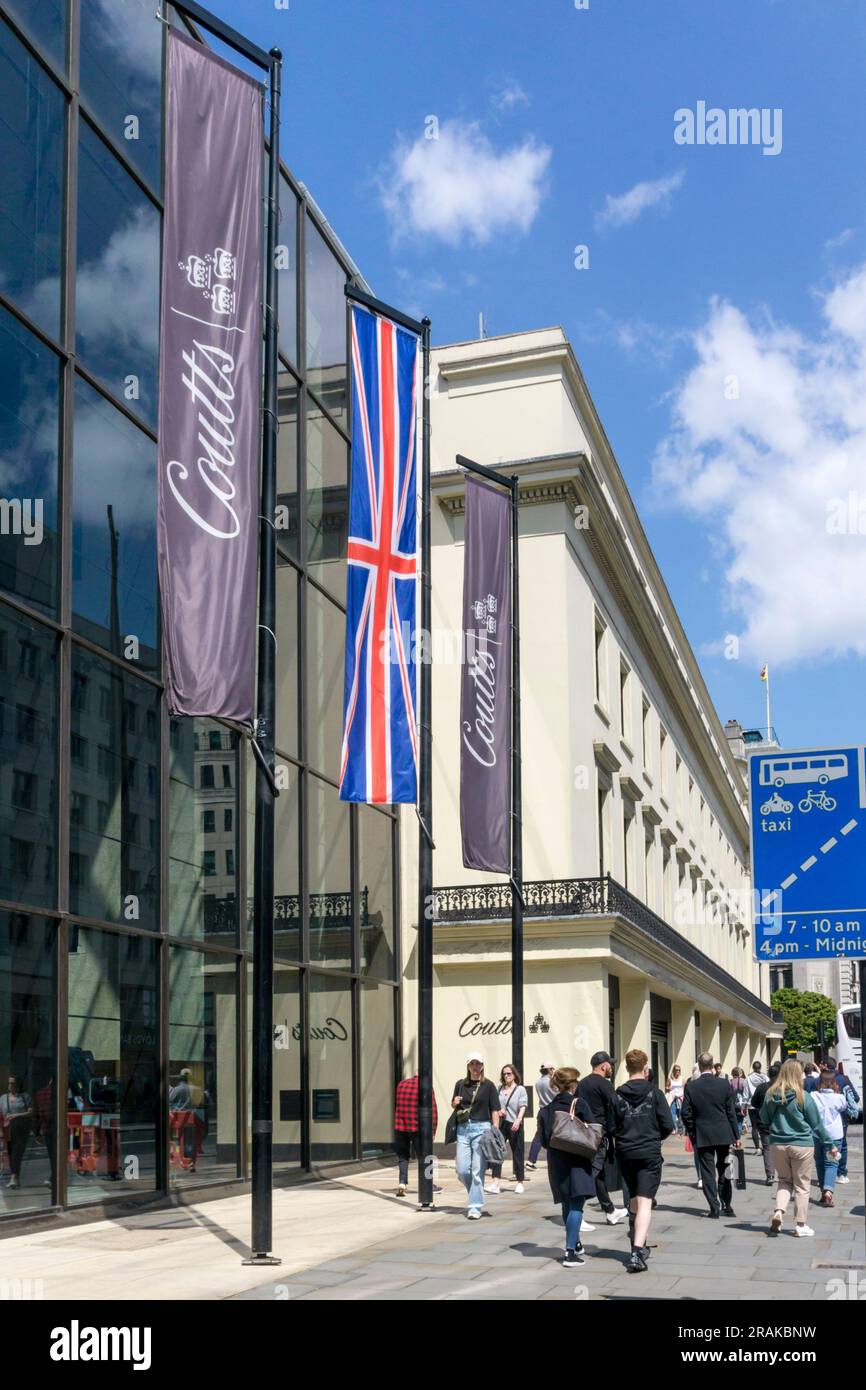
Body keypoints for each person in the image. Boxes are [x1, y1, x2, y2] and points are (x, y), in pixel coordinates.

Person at [761, 1058, 838, 1237]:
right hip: (802, 1144)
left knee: (784, 1181)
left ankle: (779, 1212)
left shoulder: (771, 1094)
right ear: (798, 1075)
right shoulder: (804, 1096)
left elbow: (764, 1118)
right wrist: (830, 1145)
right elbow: (816, 1125)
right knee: (802, 1186)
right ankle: (800, 1225)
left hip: (778, 1143)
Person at [615, 1049, 674, 1273]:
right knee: (645, 1201)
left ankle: (636, 1243)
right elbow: (667, 1124)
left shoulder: (617, 1094)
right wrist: (654, 1137)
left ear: (628, 1067)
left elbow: (612, 1125)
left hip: (626, 1152)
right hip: (648, 1152)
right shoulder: (654, 1093)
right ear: (645, 1067)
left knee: (633, 1201)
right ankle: (637, 1251)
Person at [537, 1066, 596, 1267]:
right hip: (578, 1159)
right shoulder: (579, 1105)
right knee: (577, 1205)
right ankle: (570, 1252)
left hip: (556, 1161)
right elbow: (593, 1131)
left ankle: (576, 1243)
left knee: (566, 1202)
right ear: (573, 1084)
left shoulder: (545, 1111)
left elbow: (544, 1141)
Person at [681, 1052, 741, 1218]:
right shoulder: (724, 1084)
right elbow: (731, 1112)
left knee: (707, 1171)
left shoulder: (692, 1086)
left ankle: (713, 1207)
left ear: (699, 1066)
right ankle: (726, 1204)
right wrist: (736, 1135)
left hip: (703, 1134)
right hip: (723, 1133)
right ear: (712, 1065)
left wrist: (693, 1132)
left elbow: (685, 1113)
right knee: (724, 1168)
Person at [578, 1052, 628, 1226]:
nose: (611, 1068)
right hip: (599, 1134)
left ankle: (610, 1211)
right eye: (610, 1064)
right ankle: (576, 1212)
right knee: (593, 1172)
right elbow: (616, 1108)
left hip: (584, 1133)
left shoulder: (582, 1084)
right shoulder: (605, 1085)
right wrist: (616, 1131)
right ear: (603, 1066)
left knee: (598, 1173)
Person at [451, 1053, 501, 1219]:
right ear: (468, 1066)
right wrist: (455, 1103)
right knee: (462, 1170)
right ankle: (475, 1194)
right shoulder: (460, 1084)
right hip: (463, 1129)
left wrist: (495, 1130)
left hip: (482, 1128)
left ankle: (474, 1207)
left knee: (477, 1170)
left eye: (478, 1063)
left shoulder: (489, 1085)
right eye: (472, 1063)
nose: (475, 1067)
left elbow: (495, 1109)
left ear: (482, 1065)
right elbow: (454, 1105)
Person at [393, 1074, 439, 1197]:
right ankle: (428, 1184)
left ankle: (402, 1182)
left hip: (400, 1126)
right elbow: (432, 1109)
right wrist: (433, 1130)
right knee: (425, 1156)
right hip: (417, 1127)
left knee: (403, 1157)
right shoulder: (426, 1086)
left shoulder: (401, 1084)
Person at [486, 1064, 528, 1194]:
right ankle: (496, 1183)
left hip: (514, 1124)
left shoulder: (520, 1089)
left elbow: (523, 1106)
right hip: (501, 1124)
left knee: (518, 1152)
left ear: (514, 1075)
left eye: (509, 1073)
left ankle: (520, 1181)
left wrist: (518, 1119)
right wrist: (499, 1111)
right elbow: (494, 1105)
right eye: (504, 1074)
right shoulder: (499, 1089)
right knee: (497, 1152)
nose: (506, 1076)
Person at [811, 1069, 847, 1208]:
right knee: (831, 1164)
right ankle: (828, 1192)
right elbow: (844, 1107)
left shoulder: (813, 1095)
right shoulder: (839, 1097)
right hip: (834, 1136)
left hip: (818, 1135)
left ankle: (823, 1192)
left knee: (820, 1163)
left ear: (819, 1082)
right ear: (834, 1083)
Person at [750, 1061, 781, 1184]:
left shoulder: (762, 1087)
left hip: (764, 1122)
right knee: (781, 1148)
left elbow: (754, 1103)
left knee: (767, 1148)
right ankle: (785, 1174)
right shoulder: (783, 1087)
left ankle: (770, 1175)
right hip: (780, 1123)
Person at [526, 1064, 557, 1170]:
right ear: (549, 1070)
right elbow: (556, 1094)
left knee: (538, 1136)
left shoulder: (538, 1082)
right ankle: (553, 1161)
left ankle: (531, 1160)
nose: (553, 1071)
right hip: (551, 1110)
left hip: (542, 1110)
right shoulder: (551, 1081)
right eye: (552, 1069)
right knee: (555, 1134)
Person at [833, 1062, 859, 1183]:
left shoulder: (820, 1079)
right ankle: (841, 1174)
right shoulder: (844, 1079)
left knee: (825, 1146)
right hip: (842, 1118)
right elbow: (855, 1097)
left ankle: (827, 1173)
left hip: (824, 1120)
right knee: (842, 1145)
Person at [745, 1059, 769, 1151]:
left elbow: (746, 1094)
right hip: (763, 1104)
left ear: (753, 1068)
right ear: (760, 1067)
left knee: (754, 1127)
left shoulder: (748, 1078)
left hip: (751, 1105)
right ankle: (765, 1146)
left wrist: (744, 1106)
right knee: (764, 1125)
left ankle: (757, 1148)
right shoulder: (765, 1077)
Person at [665, 1064, 686, 1136]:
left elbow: (685, 1088)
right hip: (672, 1098)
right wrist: (669, 1088)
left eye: (679, 1070)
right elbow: (666, 1087)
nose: (678, 1071)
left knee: (680, 1114)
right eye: (677, 1070)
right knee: (672, 1113)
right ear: (674, 1070)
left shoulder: (682, 1079)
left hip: (680, 1098)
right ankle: (674, 1128)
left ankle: (680, 1129)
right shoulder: (670, 1078)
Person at [729, 1067, 749, 1137]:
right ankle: (738, 1138)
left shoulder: (731, 1082)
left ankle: (735, 1138)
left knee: (734, 1121)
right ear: (740, 1073)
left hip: (733, 1103)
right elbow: (746, 1094)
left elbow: (729, 1093)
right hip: (742, 1104)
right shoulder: (744, 1081)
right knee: (740, 1122)